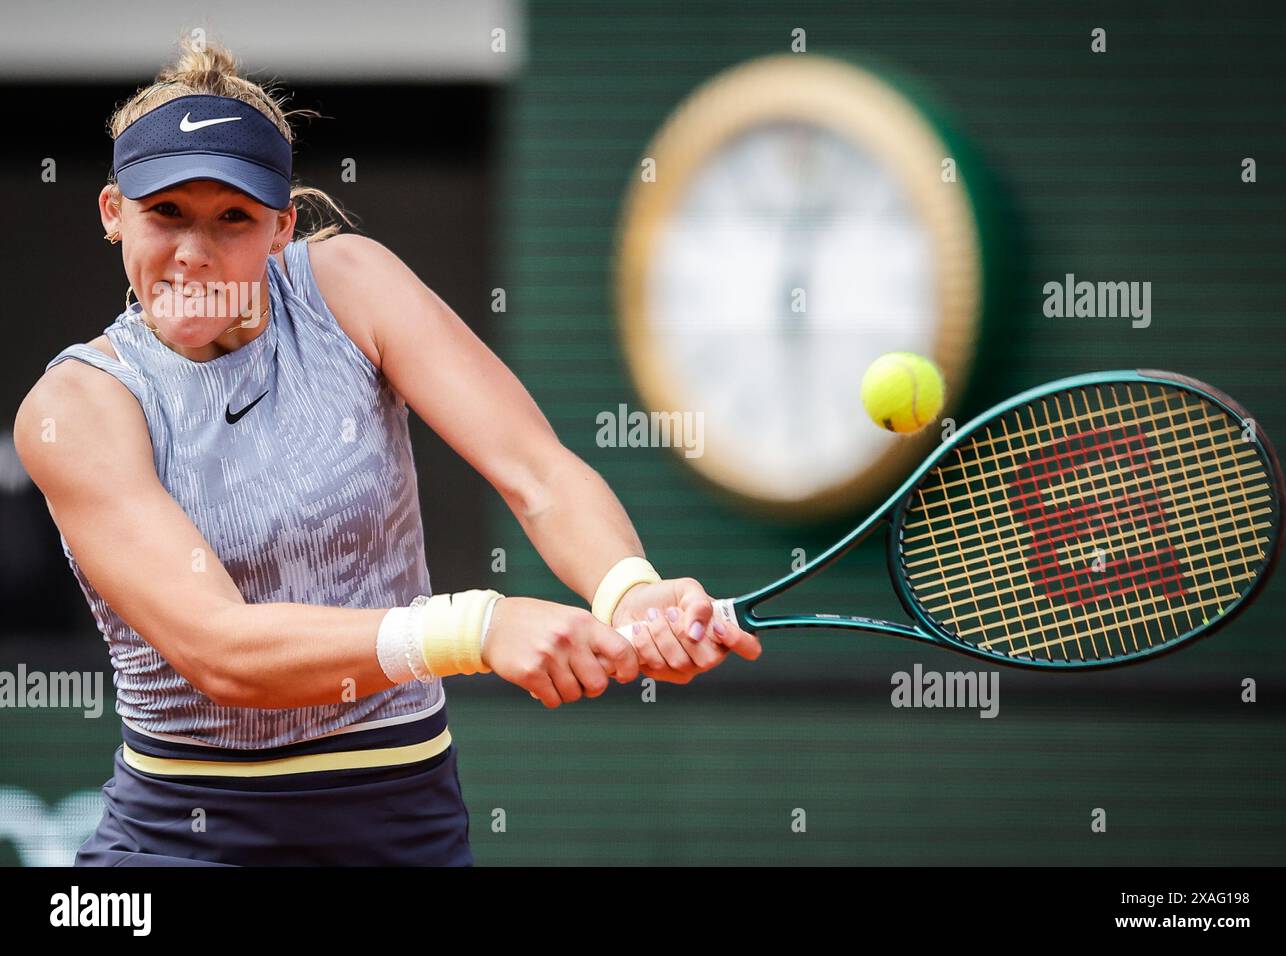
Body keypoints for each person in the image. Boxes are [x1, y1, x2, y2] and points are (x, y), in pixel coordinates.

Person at [12, 36, 761, 866]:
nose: (194, 252)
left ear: (282, 226)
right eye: (166, 214)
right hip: (182, 838)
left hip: (402, 821)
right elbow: (221, 650)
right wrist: (475, 627)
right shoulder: (77, 407)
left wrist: (629, 591)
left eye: (233, 218)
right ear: (114, 211)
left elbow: (537, 471)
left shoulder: (351, 285)